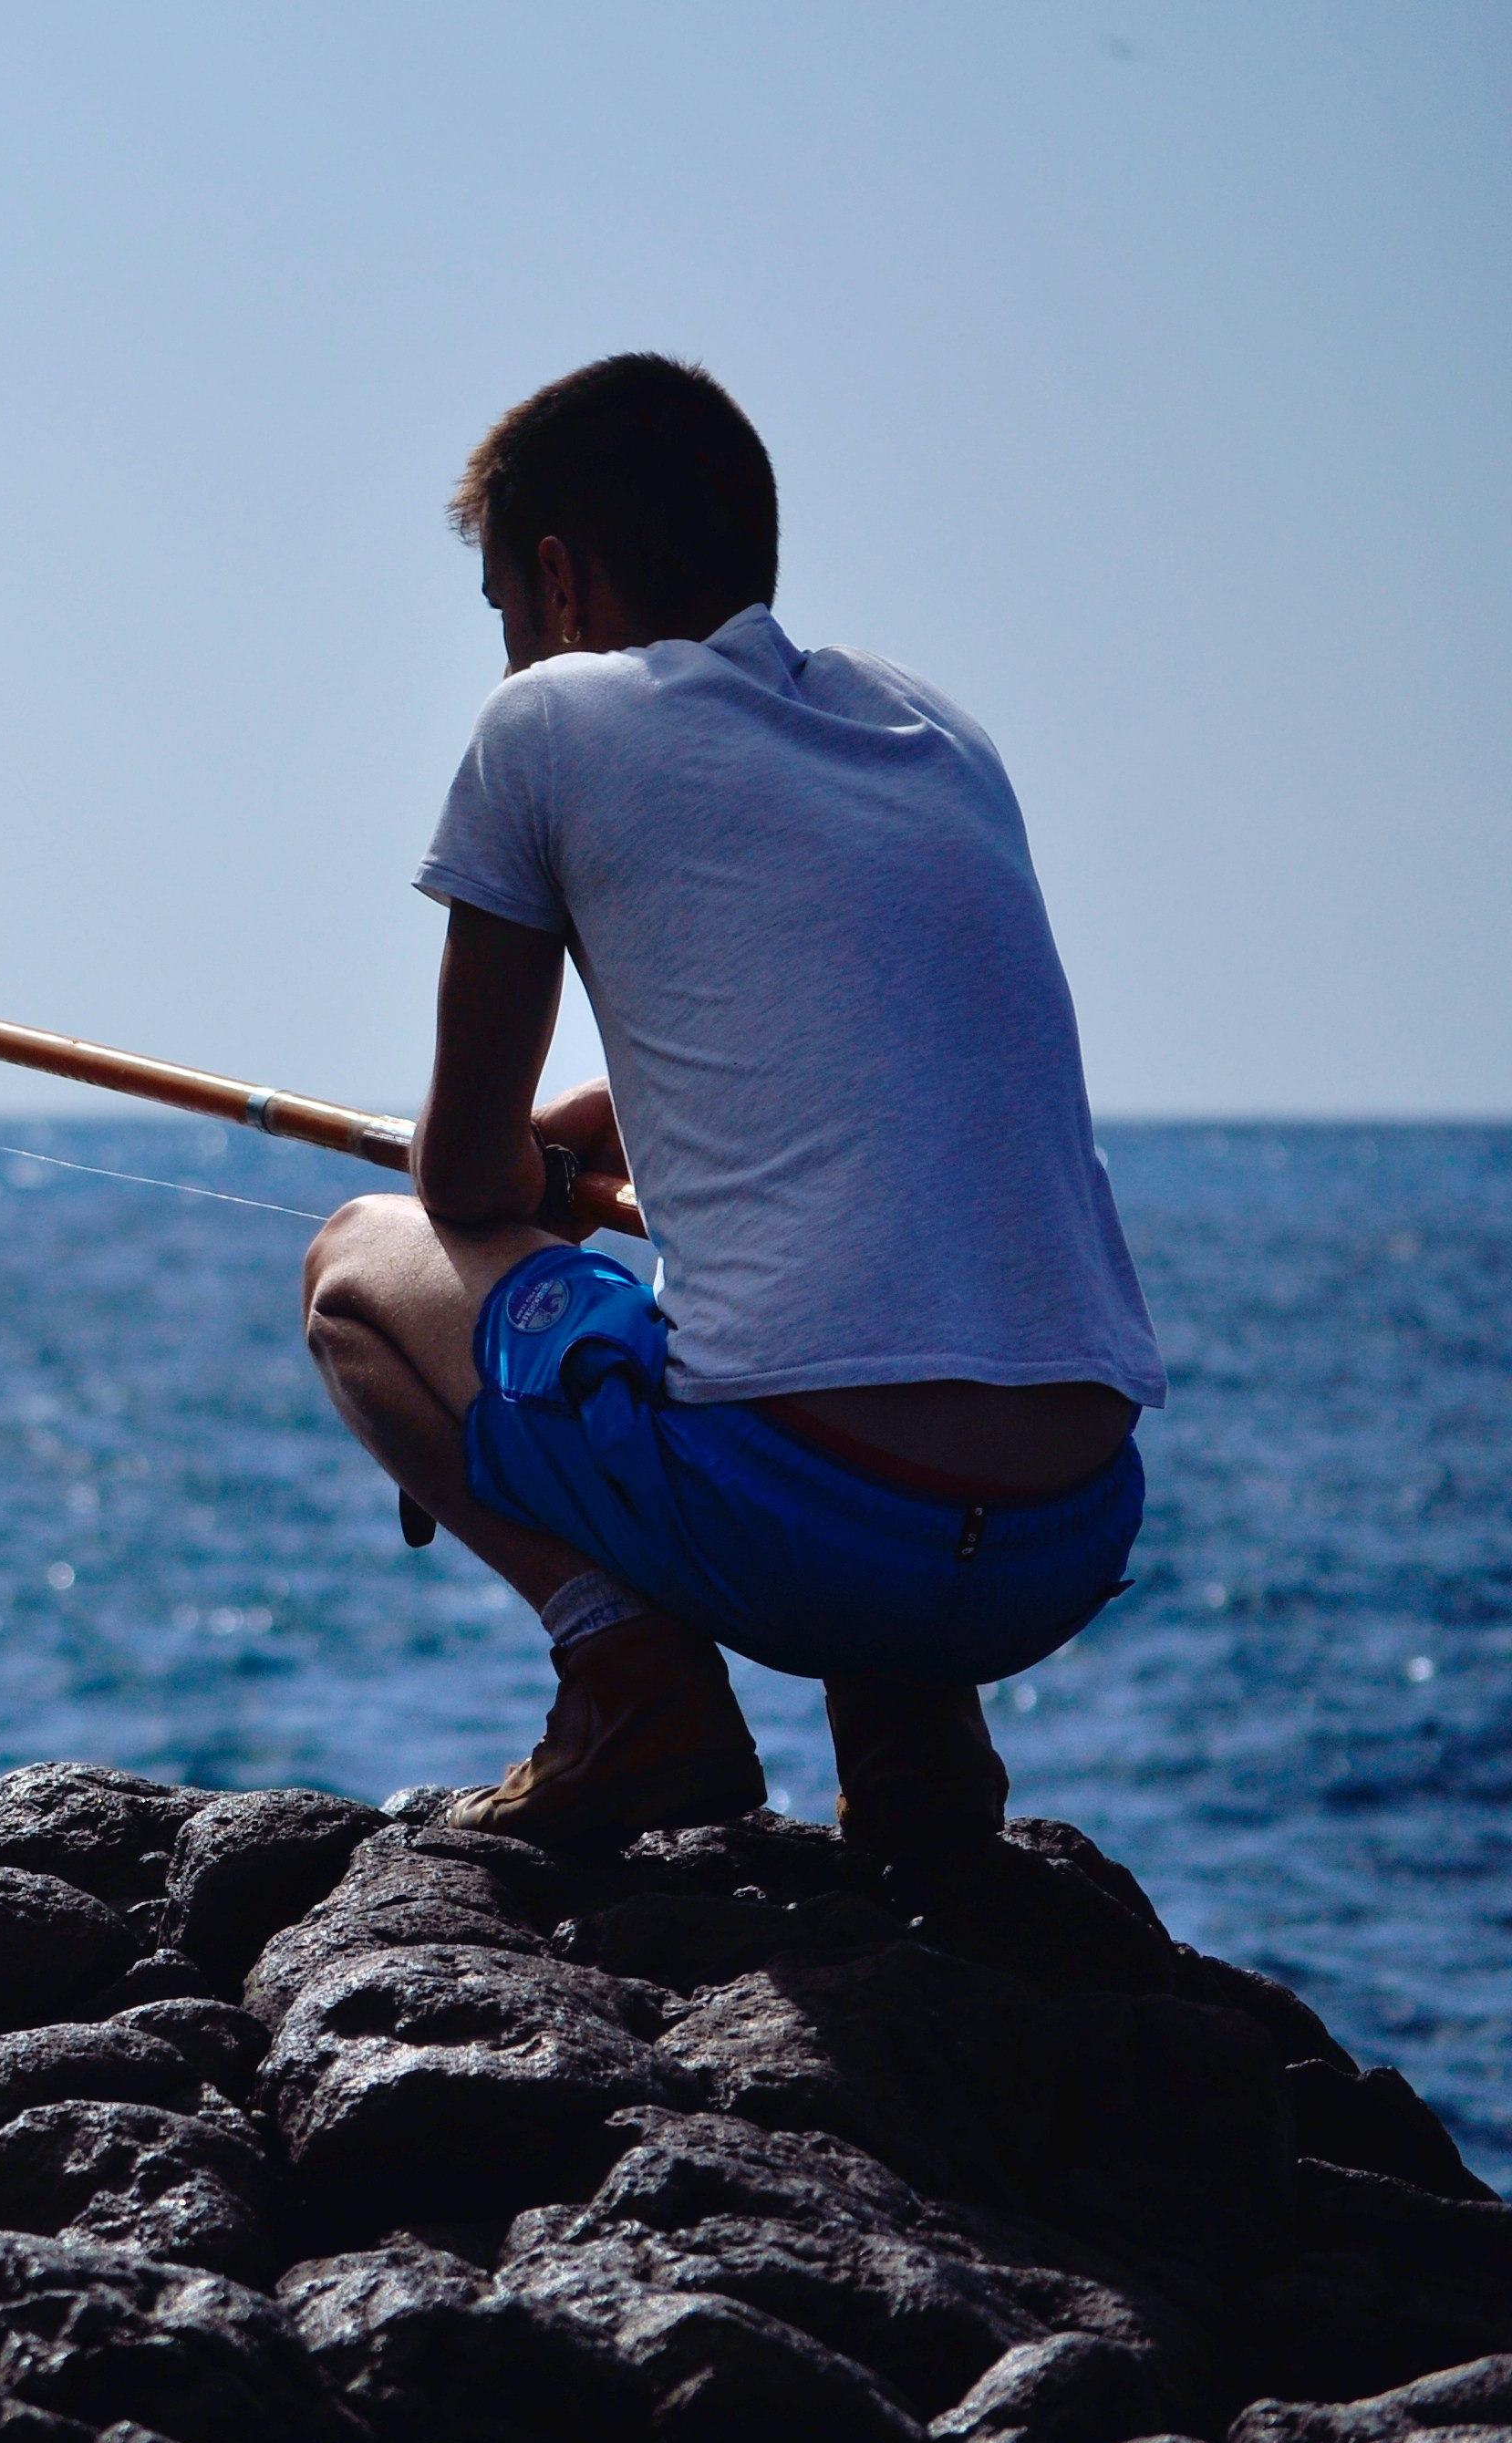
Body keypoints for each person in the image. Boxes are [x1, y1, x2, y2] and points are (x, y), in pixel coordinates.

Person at [299, 353, 1164, 1869]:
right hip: (1066, 1533)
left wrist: (532, 1177)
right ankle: (915, 1748)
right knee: (843, 1312)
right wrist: (593, 1140)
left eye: (502, 609)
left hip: (825, 1531)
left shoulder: (548, 726)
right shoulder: (932, 736)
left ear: (558, 583)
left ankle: (632, 1692)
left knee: (359, 1269)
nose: (509, 652)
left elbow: (459, 1182)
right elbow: (826, 1066)